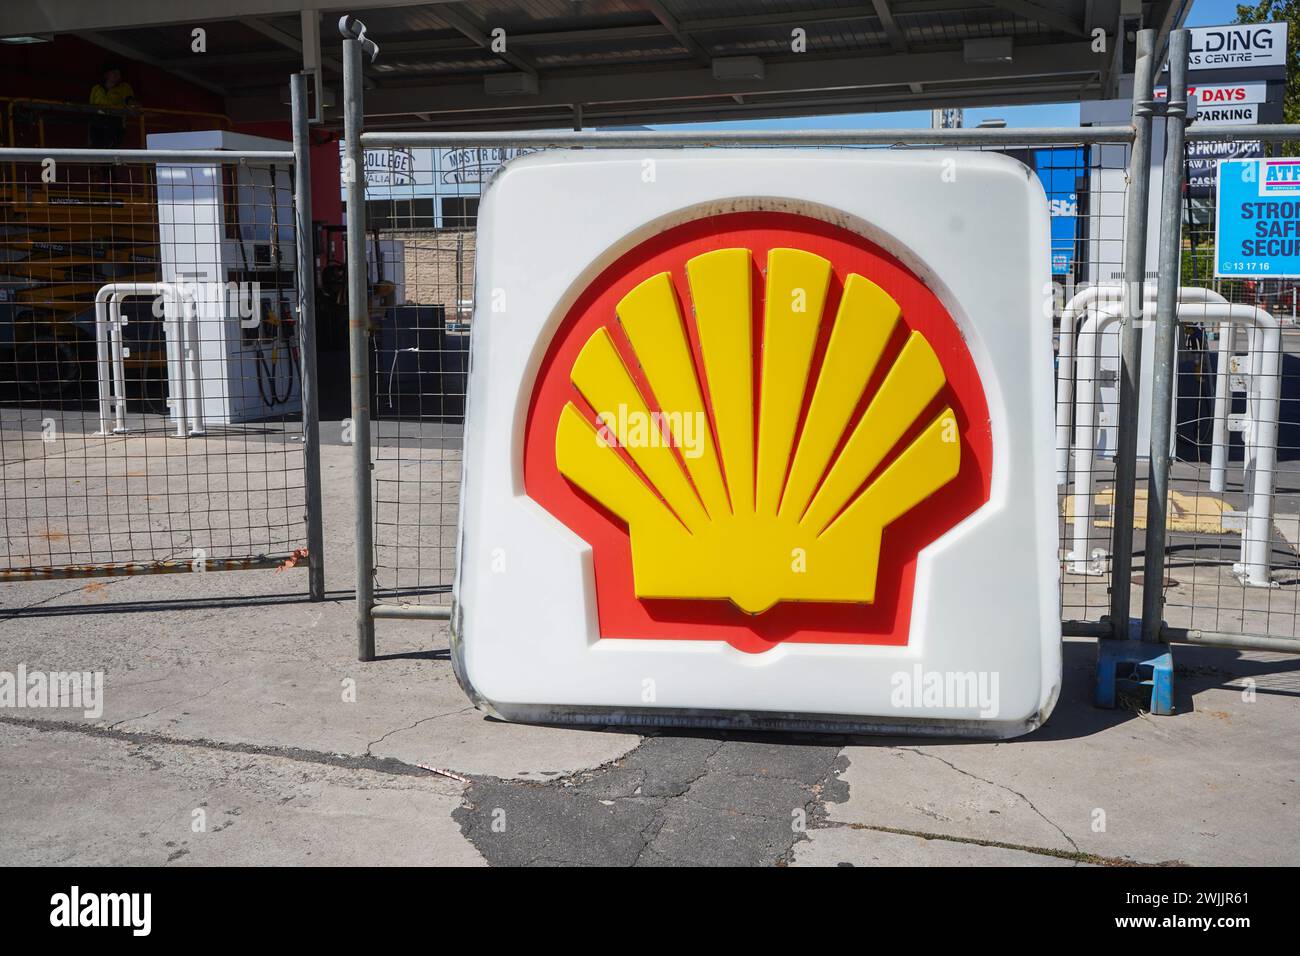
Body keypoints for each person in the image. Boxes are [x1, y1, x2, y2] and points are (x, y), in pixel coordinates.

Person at [88, 63, 137, 149]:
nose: (117, 75)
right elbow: (91, 106)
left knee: (113, 148)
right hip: (97, 122)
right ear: (106, 75)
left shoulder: (124, 87)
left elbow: (129, 100)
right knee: (97, 147)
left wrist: (134, 105)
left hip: (115, 122)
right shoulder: (96, 88)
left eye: (118, 73)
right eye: (114, 73)